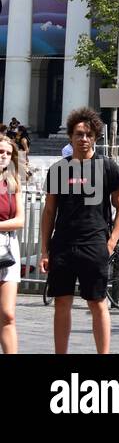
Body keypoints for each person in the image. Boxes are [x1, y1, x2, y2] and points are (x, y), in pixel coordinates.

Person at [40, 108, 119, 355]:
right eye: (78, 134)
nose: (83, 139)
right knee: (62, 303)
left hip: (95, 244)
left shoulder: (108, 167)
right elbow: (49, 212)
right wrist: (45, 250)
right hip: (63, 245)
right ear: (70, 137)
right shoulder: (59, 169)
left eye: (88, 134)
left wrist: (110, 243)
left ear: (96, 137)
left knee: (98, 303)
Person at [0, 135, 24, 353]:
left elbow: (20, 220)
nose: (4, 157)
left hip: (7, 250)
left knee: (8, 314)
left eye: (8, 153)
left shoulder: (12, 182)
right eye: (0, 152)